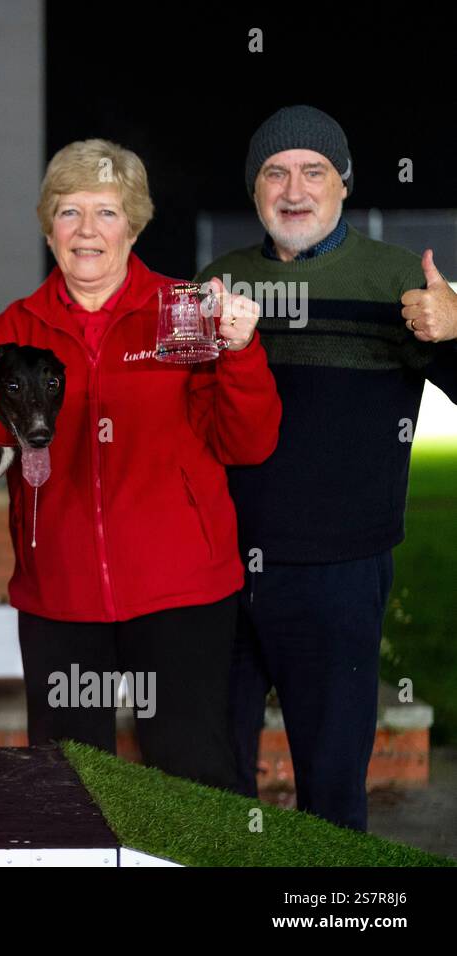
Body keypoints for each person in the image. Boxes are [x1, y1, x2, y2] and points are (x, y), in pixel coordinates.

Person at [0, 139, 280, 788]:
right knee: (69, 786)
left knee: (192, 775)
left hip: (181, 592)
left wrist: (241, 352)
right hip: (61, 598)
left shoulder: (185, 313)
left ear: (133, 226)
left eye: (106, 213)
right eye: (69, 211)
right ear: (49, 227)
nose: (87, 231)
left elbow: (247, 444)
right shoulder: (10, 332)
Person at [197, 105, 457, 830]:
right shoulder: (220, 280)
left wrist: (456, 330)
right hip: (221, 567)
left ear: (343, 183)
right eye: (274, 173)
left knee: (331, 787)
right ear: (254, 191)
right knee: (217, 781)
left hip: (341, 571)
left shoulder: (396, 279)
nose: (294, 188)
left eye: (314, 171)